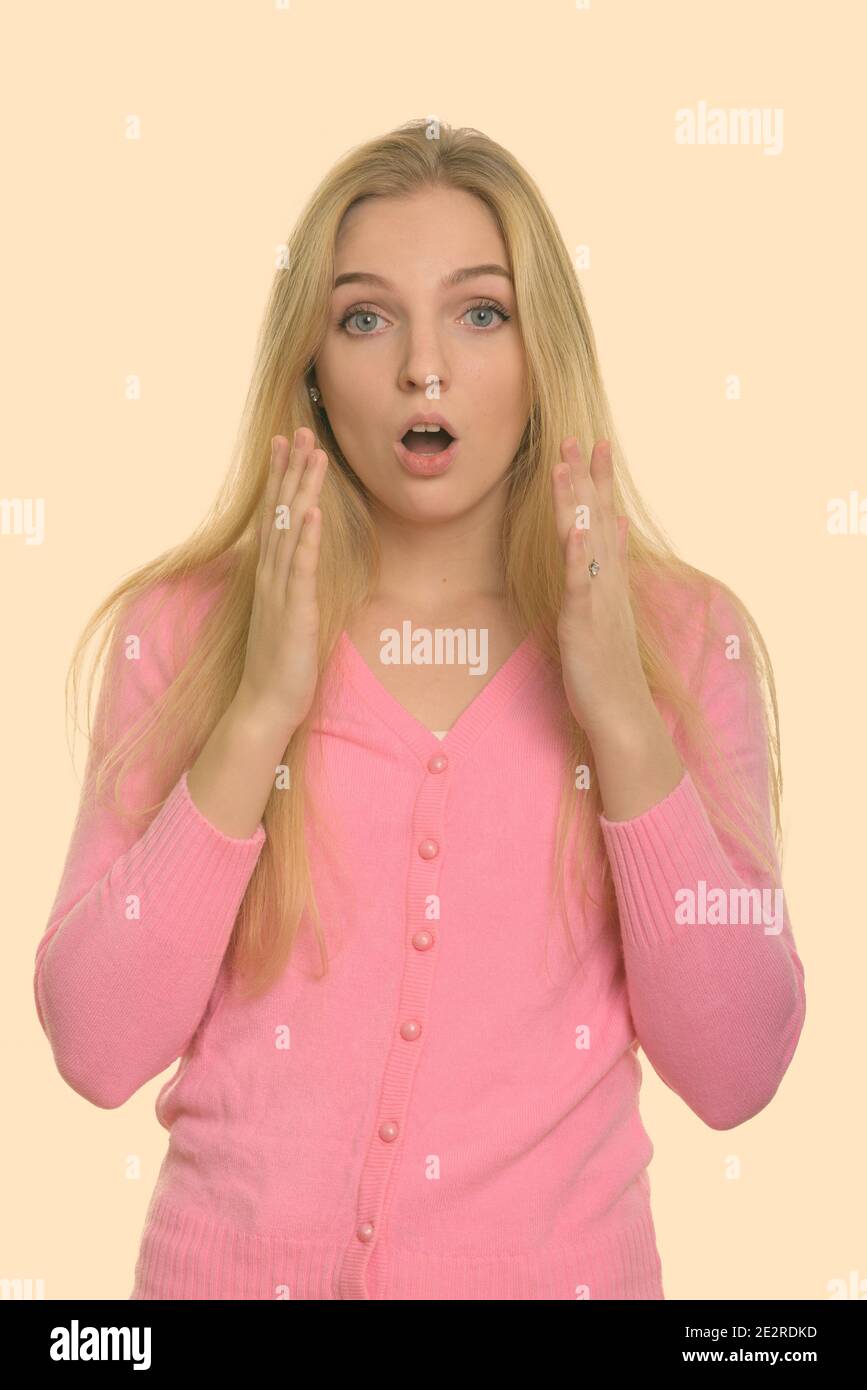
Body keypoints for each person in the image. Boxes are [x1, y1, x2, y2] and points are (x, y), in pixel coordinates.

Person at [34, 118, 806, 1300]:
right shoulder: (183, 629)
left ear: (543, 347)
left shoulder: (683, 640)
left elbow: (737, 1067)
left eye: (480, 312)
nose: (424, 370)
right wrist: (259, 718)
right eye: (366, 316)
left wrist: (625, 727)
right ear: (311, 367)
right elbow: (93, 1046)